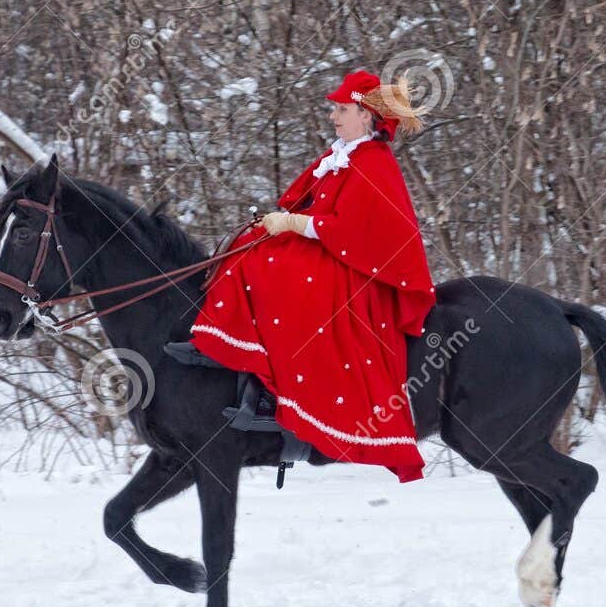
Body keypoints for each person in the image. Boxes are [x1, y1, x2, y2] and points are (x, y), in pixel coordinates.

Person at [174, 69, 437, 483]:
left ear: (366, 116)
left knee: (271, 269)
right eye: (335, 108)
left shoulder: (373, 163)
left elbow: (355, 232)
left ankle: (268, 384)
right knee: (252, 243)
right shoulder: (342, 155)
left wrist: (294, 225)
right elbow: (312, 204)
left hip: (354, 269)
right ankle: (223, 347)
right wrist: (281, 220)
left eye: (343, 109)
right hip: (330, 252)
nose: (334, 116)